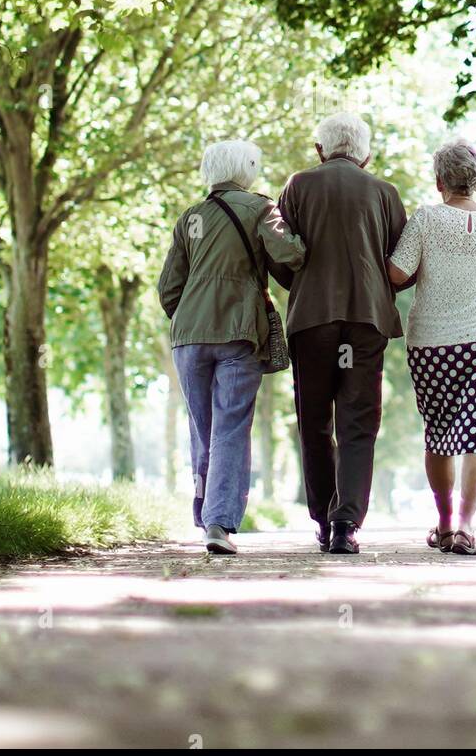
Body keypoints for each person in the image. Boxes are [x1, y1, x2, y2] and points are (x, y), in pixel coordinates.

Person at [157, 139, 305, 555]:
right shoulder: (260, 208)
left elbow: (168, 287)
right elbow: (287, 255)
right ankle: (217, 523)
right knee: (231, 427)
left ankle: (205, 513)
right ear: (249, 169)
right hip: (239, 332)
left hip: (189, 335)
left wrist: (190, 314)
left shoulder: (191, 218)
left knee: (201, 428)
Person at [387, 139, 476, 556]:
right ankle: (468, 527)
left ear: (439, 182)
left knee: (439, 434)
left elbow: (398, 274)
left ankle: (445, 522)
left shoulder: (425, 219)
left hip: (433, 342)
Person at [276, 112, 408, 554]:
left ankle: (321, 517)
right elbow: (399, 263)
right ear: (366, 155)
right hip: (365, 321)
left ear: (320, 150)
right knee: (357, 421)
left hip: (313, 321)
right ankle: (345, 523)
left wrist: (303, 283)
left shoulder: (297, 186)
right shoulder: (385, 193)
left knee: (314, 421)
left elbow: (280, 255)